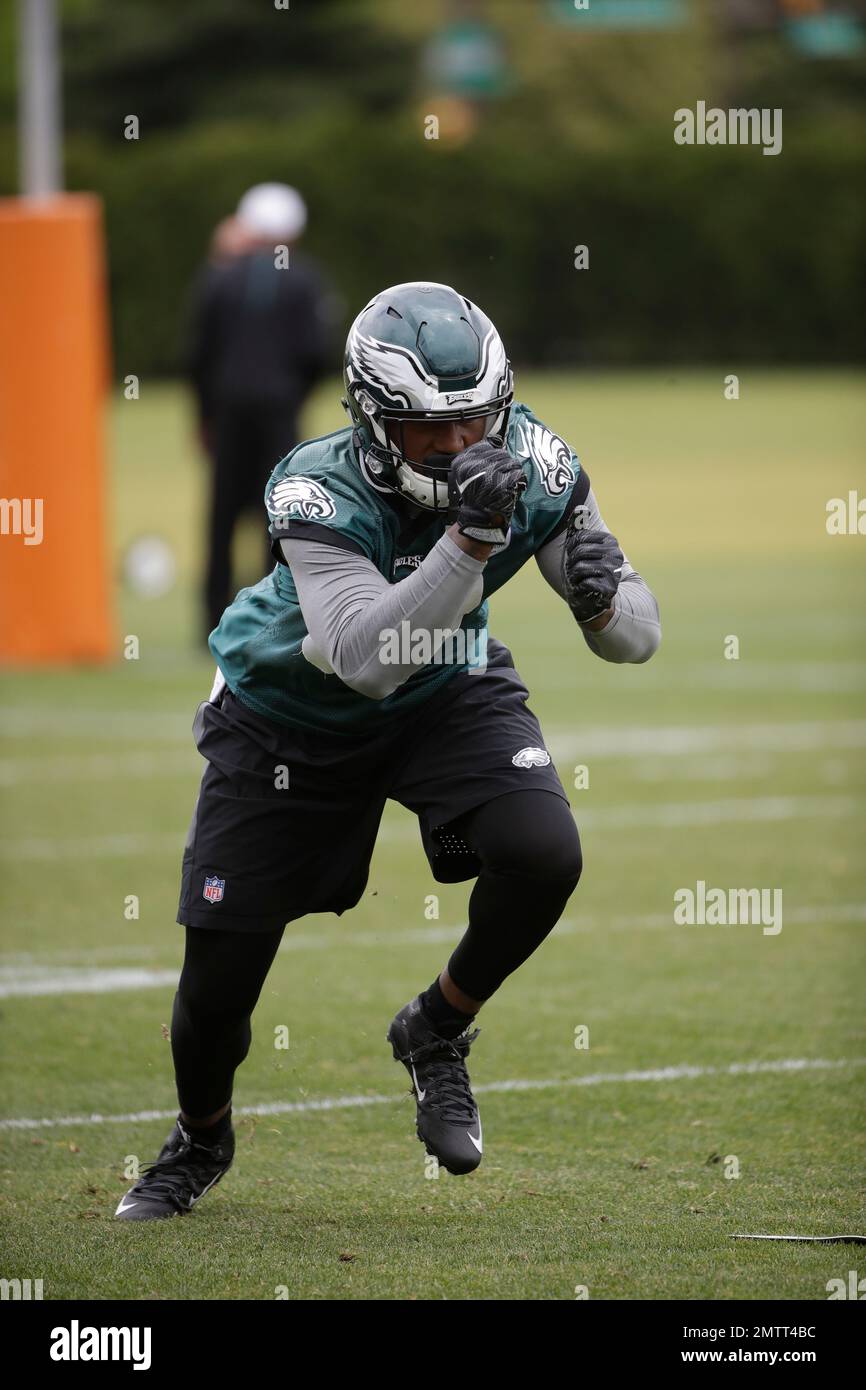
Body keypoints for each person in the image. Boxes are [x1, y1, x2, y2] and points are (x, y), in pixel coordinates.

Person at [115, 281, 661, 1220]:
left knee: (544, 852)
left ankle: (436, 1027)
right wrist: (472, 537)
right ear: (374, 420)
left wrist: (604, 600)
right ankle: (200, 1139)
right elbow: (365, 658)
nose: (457, 447)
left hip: (446, 686)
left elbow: (638, 640)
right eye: (428, 431)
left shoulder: (535, 456)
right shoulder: (313, 483)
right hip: (288, 713)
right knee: (216, 993)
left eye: (474, 422)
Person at [187, 183, 336, 641]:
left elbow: (197, 354)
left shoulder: (219, 276)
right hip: (279, 414)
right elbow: (318, 352)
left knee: (222, 515)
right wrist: (294, 394)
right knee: (281, 512)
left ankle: (214, 619)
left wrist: (205, 414)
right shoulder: (306, 279)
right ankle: (276, 617)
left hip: (229, 413)